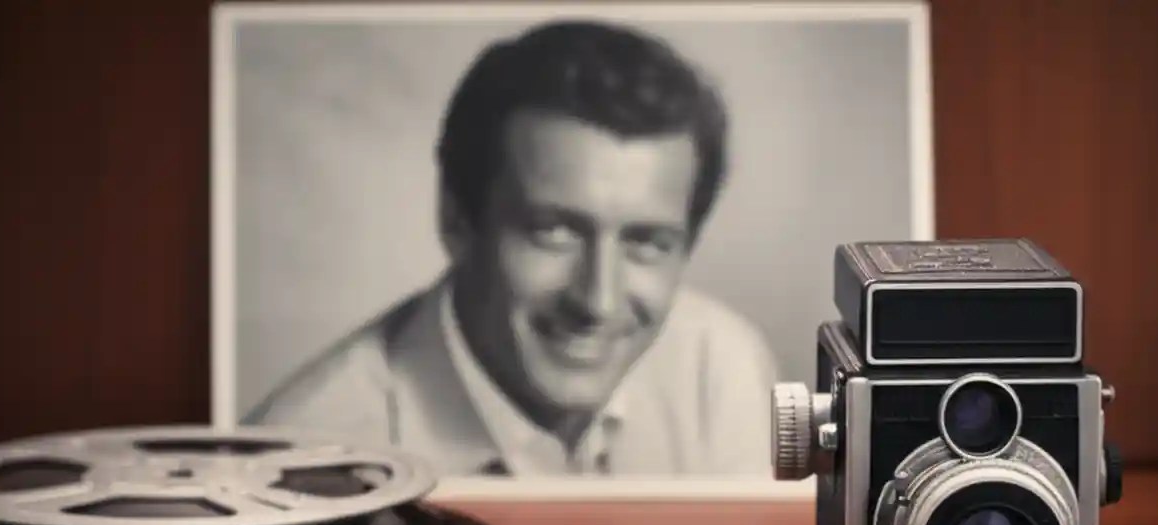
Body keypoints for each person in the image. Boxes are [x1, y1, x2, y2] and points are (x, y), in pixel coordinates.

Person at [244, 20, 779, 476]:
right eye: (553, 231)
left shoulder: (723, 371)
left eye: (646, 242)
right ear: (456, 220)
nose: (598, 301)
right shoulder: (301, 463)